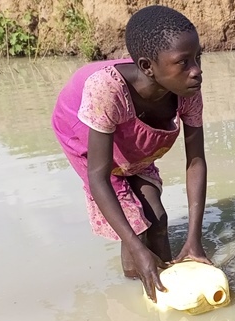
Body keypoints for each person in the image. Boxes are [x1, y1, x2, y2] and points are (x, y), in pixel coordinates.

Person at [52, 5, 211, 301]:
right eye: (184, 62)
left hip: (130, 132)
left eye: (198, 57)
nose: (197, 70)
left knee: (158, 218)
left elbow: (196, 161)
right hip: (84, 131)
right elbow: (98, 176)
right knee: (136, 231)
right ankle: (136, 284)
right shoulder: (106, 91)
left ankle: (165, 274)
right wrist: (138, 250)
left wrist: (194, 240)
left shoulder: (187, 90)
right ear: (148, 67)